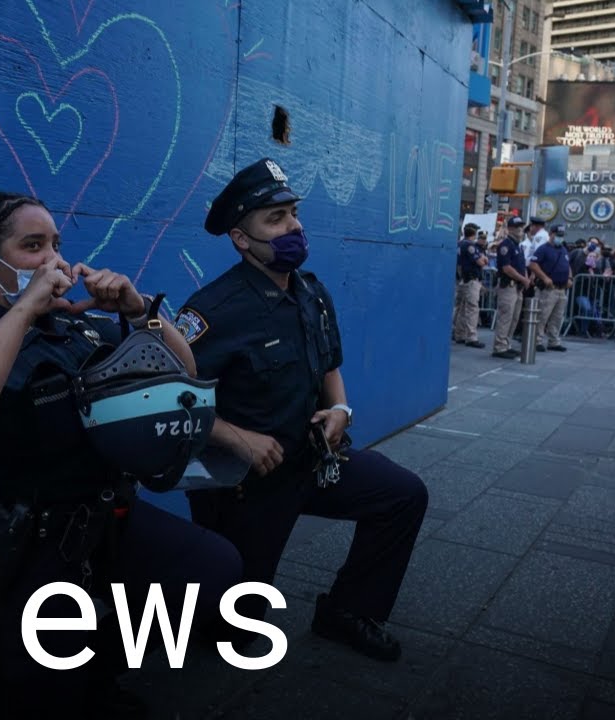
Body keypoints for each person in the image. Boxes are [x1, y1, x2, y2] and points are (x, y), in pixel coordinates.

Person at [0, 191, 243, 718]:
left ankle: (98, 668)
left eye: (56, 246)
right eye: (33, 246)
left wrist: (136, 309)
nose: (54, 261)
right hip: (27, 543)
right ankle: (74, 682)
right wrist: (23, 309)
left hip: (107, 517)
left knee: (213, 573)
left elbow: (186, 375)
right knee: (34, 692)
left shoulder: (78, 327)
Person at [174, 158, 429, 662]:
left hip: (313, 461)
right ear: (240, 239)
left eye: (292, 213)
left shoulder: (312, 292)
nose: (292, 226)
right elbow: (168, 397)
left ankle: (346, 611)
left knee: (403, 496)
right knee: (231, 634)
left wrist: (341, 411)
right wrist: (235, 437)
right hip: (248, 482)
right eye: (275, 218)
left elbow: (329, 365)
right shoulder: (212, 311)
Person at [490, 215, 534, 358]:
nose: (520, 229)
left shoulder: (518, 246)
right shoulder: (506, 245)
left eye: (521, 227)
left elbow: (521, 266)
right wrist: (523, 279)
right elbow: (506, 268)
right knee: (506, 316)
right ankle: (499, 346)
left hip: (518, 287)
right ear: (510, 229)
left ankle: (506, 343)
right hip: (508, 286)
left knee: (514, 318)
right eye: (517, 227)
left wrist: (526, 279)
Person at [527, 225, 572, 351]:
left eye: (561, 236)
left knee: (557, 317)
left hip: (561, 288)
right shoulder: (543, 249)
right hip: (548, 289)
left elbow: (567, 266)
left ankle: (554, 341)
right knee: (542, 316)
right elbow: (533, 264)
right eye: (557, 235)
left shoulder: (563, 249)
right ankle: (537, 340)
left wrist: (570, 278)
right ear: (551, 234)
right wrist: (544, 278)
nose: (559, 238)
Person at [453, 223, 488, 348]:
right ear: (474, 233)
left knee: (461, 308)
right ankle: (471, 337)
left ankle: (459, 334)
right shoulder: (470, 246)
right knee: (472, 309)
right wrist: (483, 258)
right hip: (471, 280)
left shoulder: (458, 244)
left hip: (462, 279)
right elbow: (481, 262)